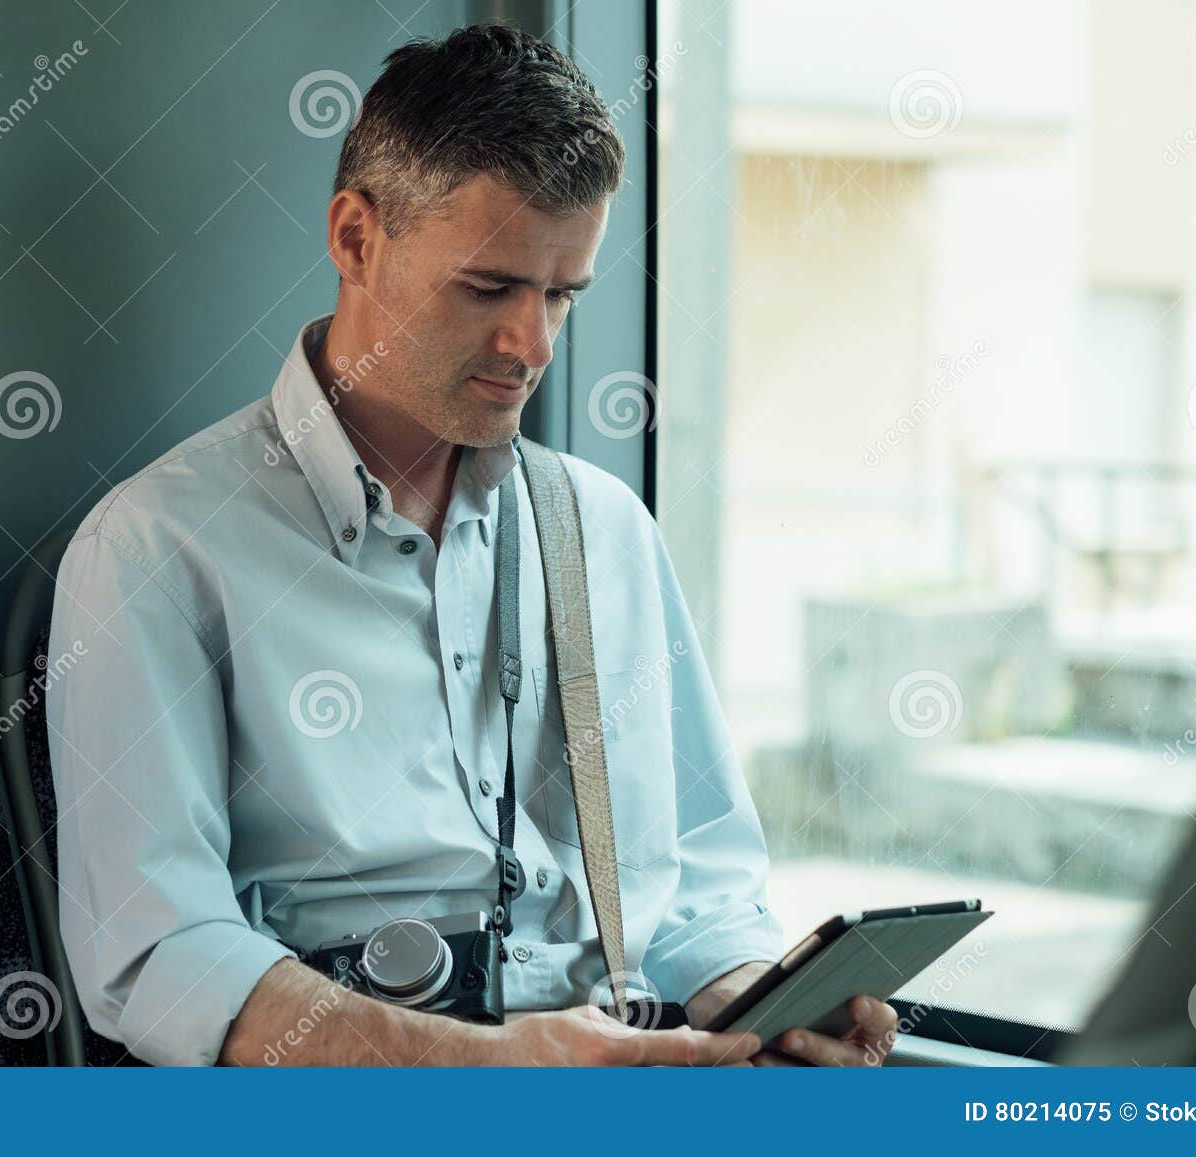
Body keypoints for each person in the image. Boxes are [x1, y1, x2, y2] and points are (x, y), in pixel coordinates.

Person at [46, 22, 897, 1067]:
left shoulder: (603, 530)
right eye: (490, 288)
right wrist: (487, 1063)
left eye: (562, 294)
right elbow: (162, 958)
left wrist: (758, 998)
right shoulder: (156, 547)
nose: (531, 345)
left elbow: (696, 889)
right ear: (356, 239)